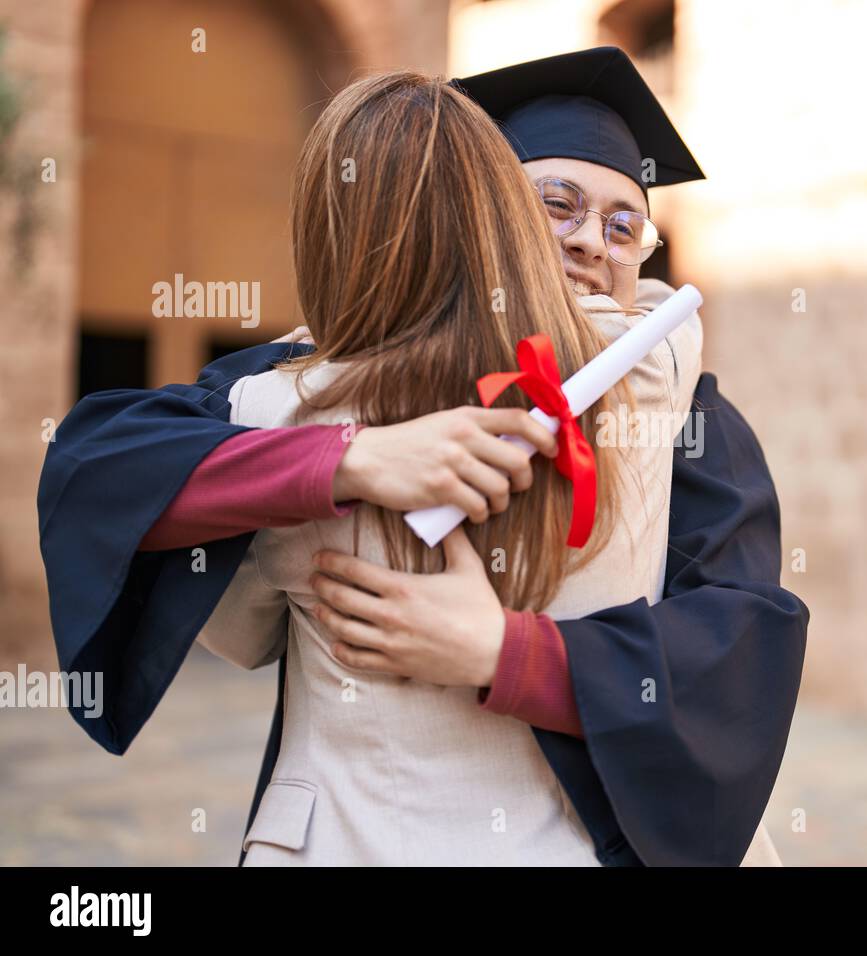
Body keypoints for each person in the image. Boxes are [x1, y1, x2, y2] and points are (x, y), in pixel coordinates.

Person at [37, 47, 808, 866]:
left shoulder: (690, 415)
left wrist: (512, 654)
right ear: (485, 215)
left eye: (626, 227)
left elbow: (736, 646)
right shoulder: (294, 378)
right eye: (559, 204)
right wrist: (350, 459)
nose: (594, 244)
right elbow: (110, 461)